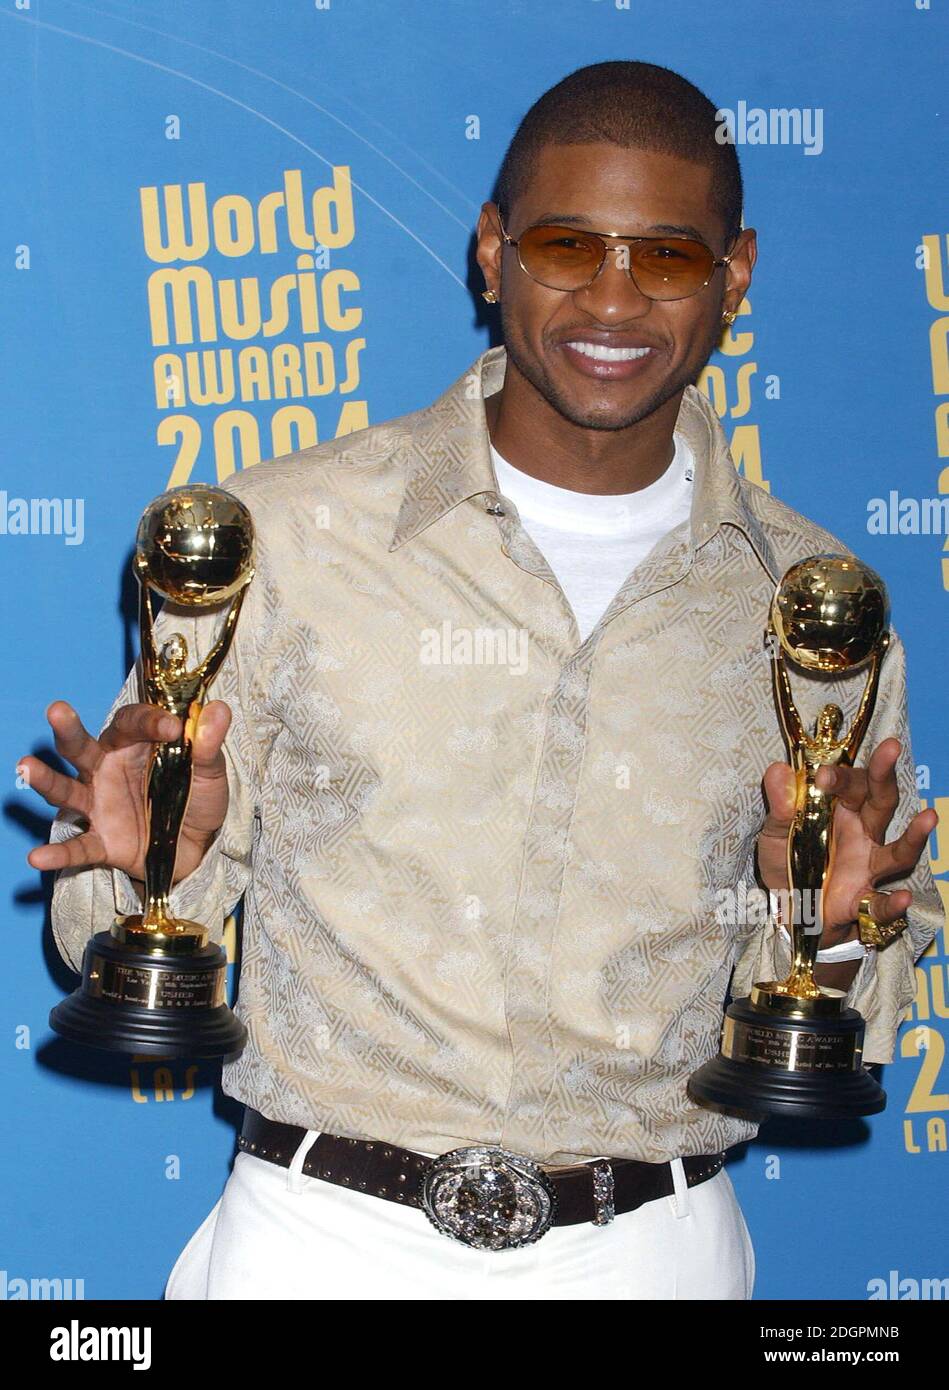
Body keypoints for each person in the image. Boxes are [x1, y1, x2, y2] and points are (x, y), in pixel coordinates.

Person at [23, 61, 942, 1301]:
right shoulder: (283, 537)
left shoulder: (816, 610)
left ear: (734, 275)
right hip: (317, 1249)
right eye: (568, 244)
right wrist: (155, 868)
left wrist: (820, 933)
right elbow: (106, 943)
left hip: (653, 1255)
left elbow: (848, 1012)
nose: (612, 298)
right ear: (493, 249)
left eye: (667, 258)